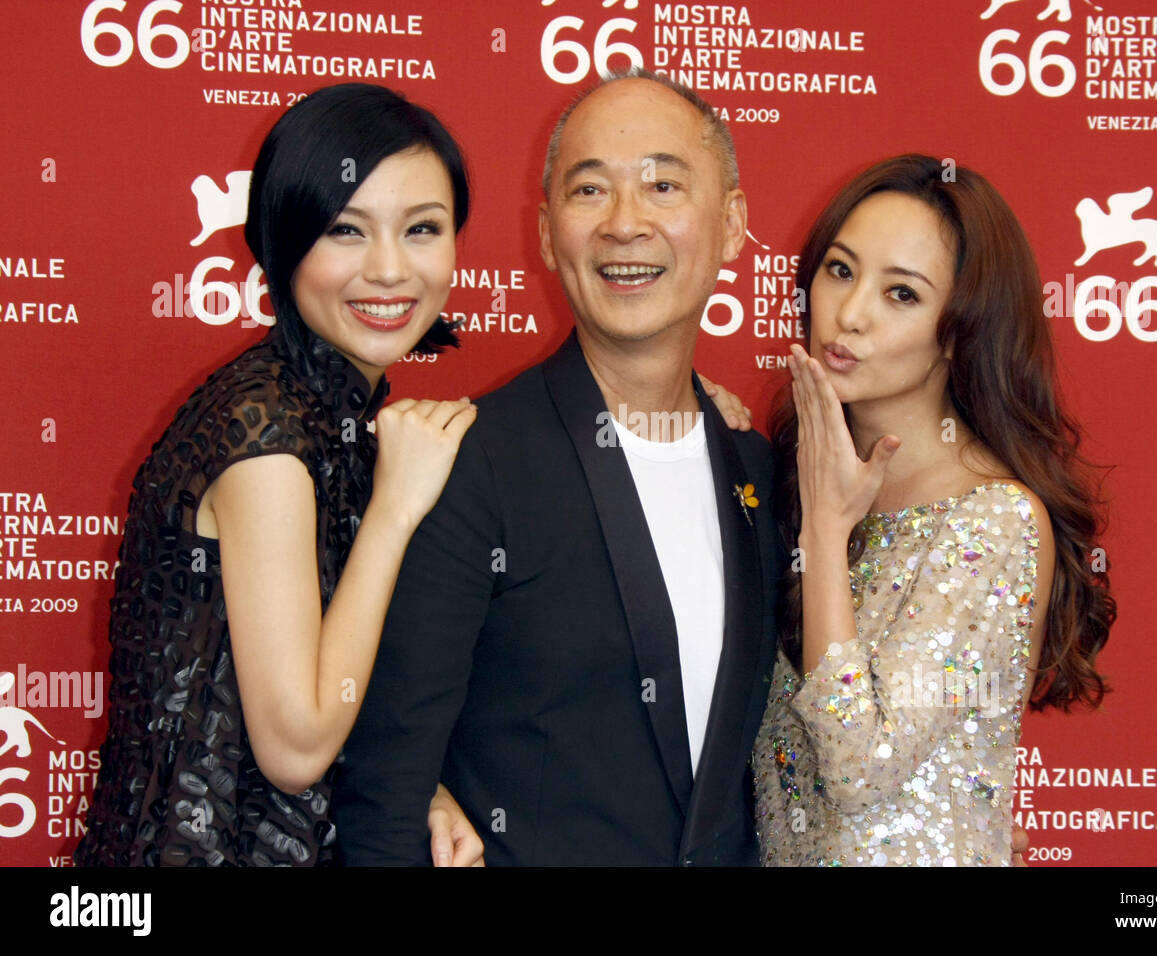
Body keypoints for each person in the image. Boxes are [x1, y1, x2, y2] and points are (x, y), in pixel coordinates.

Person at [331, 70, 783, 865]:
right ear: (546, 234)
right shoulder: (469, 463)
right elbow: (386, 793)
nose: (625, 224)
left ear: (734, 224)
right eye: (589, 192)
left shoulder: (757, 470)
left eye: (663, 184)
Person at [74, 84, 485, 866]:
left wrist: (422, 789)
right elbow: (296, 742)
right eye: (345, 230)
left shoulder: (334, 414)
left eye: (422, 229)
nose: (390, 269)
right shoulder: (262, 430)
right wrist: (394, 510)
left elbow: (328, 675)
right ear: (283, 238)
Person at [753, 155, 1115, 865]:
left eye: (902, 295)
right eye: (840, 270)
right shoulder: (787, 484)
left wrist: (825, 536)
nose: (850, 314)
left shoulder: (992, 521)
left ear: (958, 330)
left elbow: (858, 767)